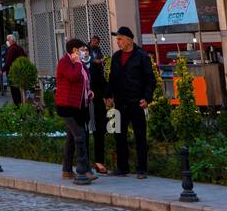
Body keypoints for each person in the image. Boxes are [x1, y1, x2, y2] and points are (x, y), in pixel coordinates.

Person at [106, 25, 156, 179]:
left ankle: (142, 169)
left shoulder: (142, 56)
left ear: (129, 40)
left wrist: (147, 98)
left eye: (120, 39)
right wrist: (109, 96)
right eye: (117, 39)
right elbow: (112, 78)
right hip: (120, 102)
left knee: (140, 136)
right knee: (119, 135)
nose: (118, 42)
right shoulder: (115, 57)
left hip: (136, 102)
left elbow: (150, 79)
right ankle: (122, 167)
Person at [55, 38, 97, 186]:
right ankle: (84, 170)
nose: (84, 51)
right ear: (74, 50)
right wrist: (78, 63)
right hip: (67, 106)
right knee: (79, 136)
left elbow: (84, 81)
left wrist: (89, 91)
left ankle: (66, 169)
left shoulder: (81, 64)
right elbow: (73, 77)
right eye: (82, 49)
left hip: (79, 107)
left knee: (71, 138)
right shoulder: (64, 62)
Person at [86, 43, 109, 174]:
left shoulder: (95, 66)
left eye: (86, 50)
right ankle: (85, 163)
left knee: (99, 133)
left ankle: (99, 162)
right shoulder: (77, 66)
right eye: (82, 50)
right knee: (83, 134)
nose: (84, 53)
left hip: (97, 103)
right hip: (83, 105)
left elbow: (102, 83)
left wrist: (107, 95)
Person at [3, 34, 27, 107]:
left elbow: (8, 61)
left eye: (8, 40)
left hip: (12, 72)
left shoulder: (11, 49)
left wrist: (2, 70)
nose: (7, 41)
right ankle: (19, 104)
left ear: (11, 40)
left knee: (14, 90)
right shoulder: (19, 48)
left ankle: (17, 105)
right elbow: (25, 57)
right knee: (17, 89)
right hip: (18, 71)